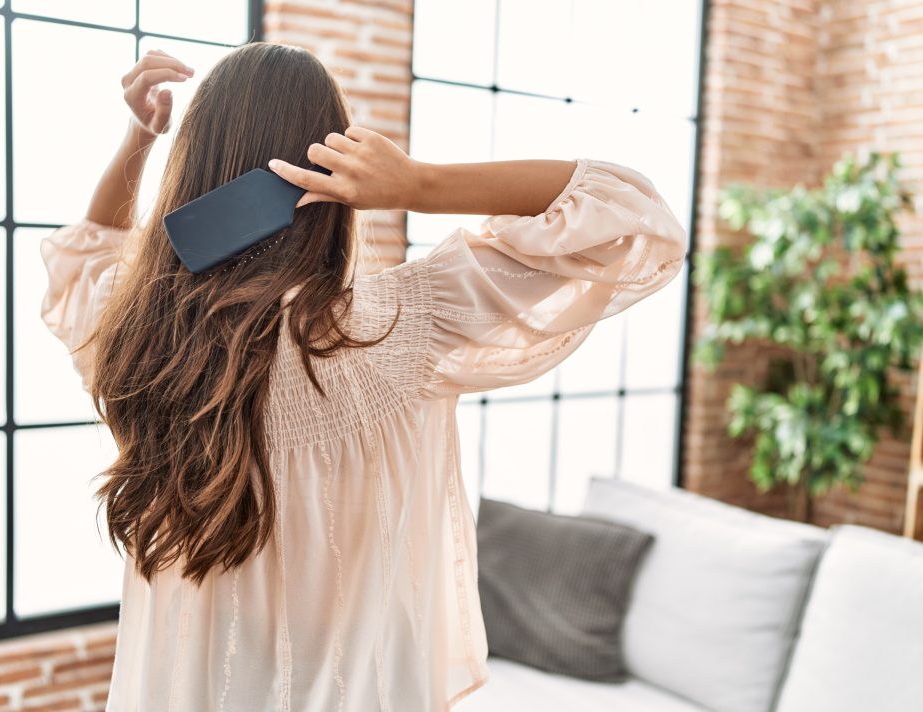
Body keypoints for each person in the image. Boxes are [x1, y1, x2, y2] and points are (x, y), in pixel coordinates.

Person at [40, 41, 688, 712]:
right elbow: (633, 215)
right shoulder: (402, 326)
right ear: (331, 177)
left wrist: (140, 138)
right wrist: (420, 186)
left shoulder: (140, 335)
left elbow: (83, 260)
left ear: (193, 170)